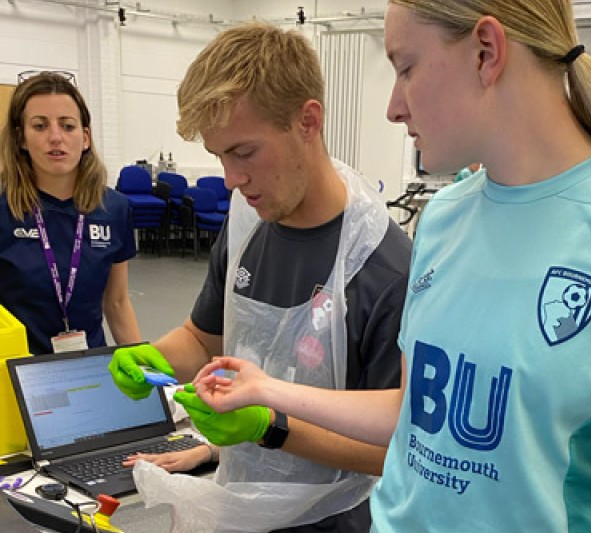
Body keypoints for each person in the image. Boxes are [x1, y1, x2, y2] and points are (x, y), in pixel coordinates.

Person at [190, 2, 591, 533]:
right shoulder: (444, 217)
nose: (394, 108)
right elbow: (412, 409)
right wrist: (267, 390)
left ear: (486, 53)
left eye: (405, 68)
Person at [109, 21, 411, 533]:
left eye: (244, 152)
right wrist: (158, 356)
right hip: (242, 499)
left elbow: (394, 450)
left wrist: (270, 428)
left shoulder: (380, 265)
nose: (230, 178)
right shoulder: (249, 221)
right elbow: (204, 338)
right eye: (219, 156)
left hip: (336, 518)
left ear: (308, 121)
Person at [0, 72, 142, 355]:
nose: (56, 137)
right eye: (39, 126)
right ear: (21, 138)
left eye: (68, 125)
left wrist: (143, 363)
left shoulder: (114, 208)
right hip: (11, 369)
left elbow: (117, 302)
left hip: (87, 369)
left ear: (85, 137)